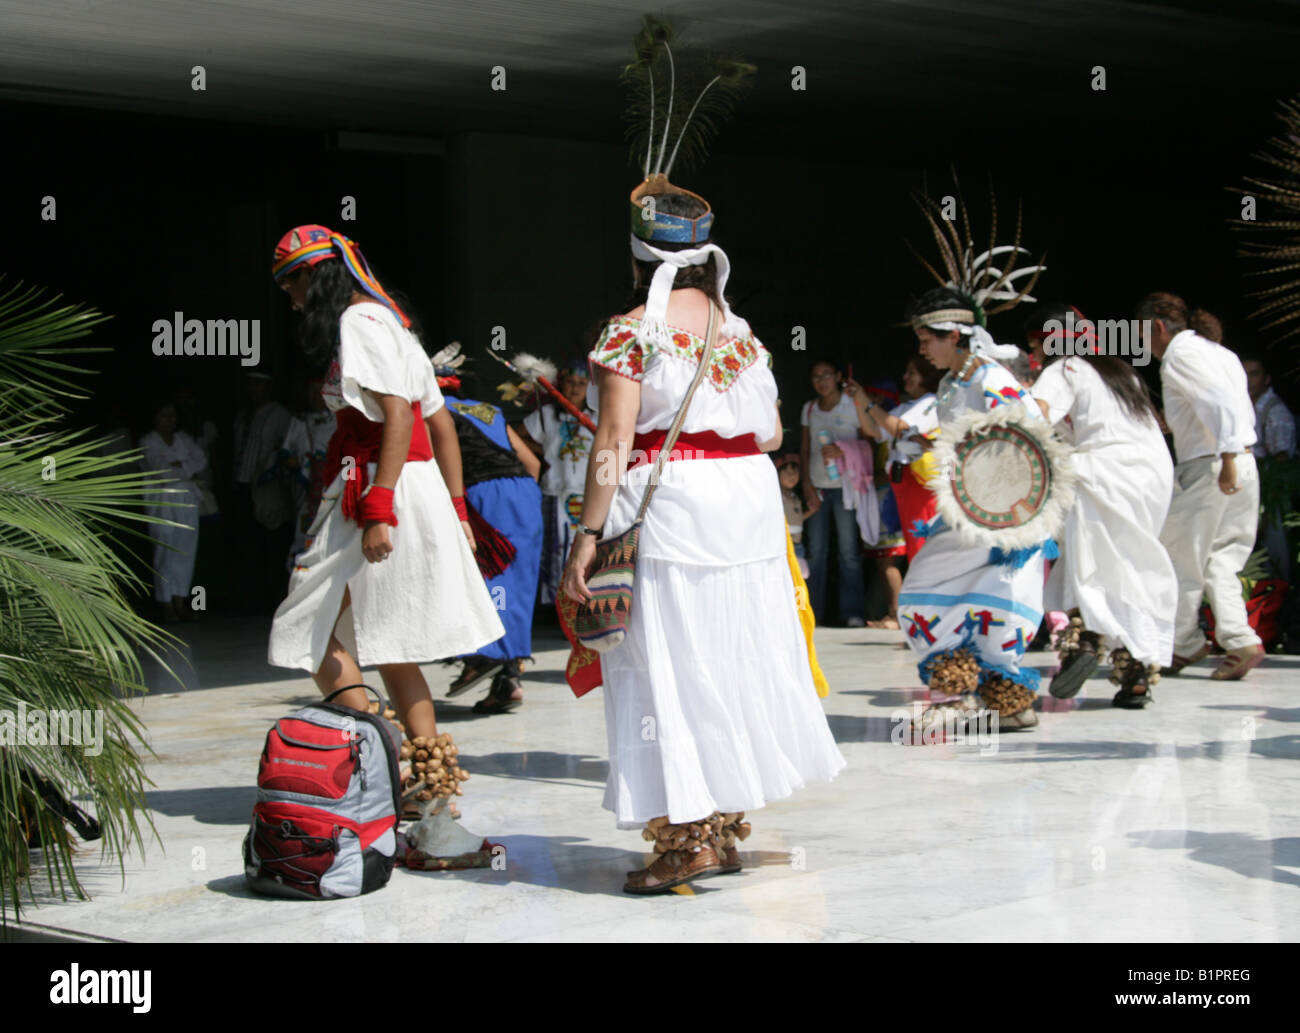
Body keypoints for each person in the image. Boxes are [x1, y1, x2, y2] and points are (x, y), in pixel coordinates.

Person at [561, 39, 844, 892]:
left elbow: (613, 442)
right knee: (733, 650)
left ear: (640, 254)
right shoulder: (742, 329)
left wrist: (583, 537)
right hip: (747, 501)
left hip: (670, 499)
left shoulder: (628, 330)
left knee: (666, 661)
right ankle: (720, 818)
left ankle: (684, 836)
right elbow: (762, 430)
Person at [266, 224, 505, 821]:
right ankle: (433, 793)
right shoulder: (391, 321)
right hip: (403, 486)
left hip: (378, 487)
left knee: (307, 627)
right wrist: (453, 508)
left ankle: (385, 753)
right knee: (393, 642)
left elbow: (400, 415)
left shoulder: (358, 322)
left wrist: (379, 507)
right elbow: (439, 421)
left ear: (311, 275)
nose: (289, 299)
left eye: (288, 284)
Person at [890, 287, 1050, 731]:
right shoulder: (952, 384)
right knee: (955, 598)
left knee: (982, 601)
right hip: (966, 514)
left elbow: (1029, 444)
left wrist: (1010, 517)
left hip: (1000, 522)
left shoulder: (993, 382)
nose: (921, 350)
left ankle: (978, 696)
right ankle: (997, 700)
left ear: (956, 335)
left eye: (928, 340)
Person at [1028, 305, 1177, 708]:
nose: (1034, 353)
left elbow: (1033, 416)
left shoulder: (1066, 368)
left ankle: (1086, 643)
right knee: (1130, 564)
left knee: (1086, 559)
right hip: (1155, 476)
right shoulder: (1122, 371)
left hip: (1104, 471)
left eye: (1035, 344)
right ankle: (1136, 676)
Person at [1144, 292, 1265, 680]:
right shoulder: (1217, 352)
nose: (1147, 345)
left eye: (1146, 335)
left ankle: (1183, 643)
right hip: (1242, 460)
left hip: (1215, 464)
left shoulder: (1181, 353)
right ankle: (1240, 639)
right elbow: (1226, 404)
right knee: (1222, 560)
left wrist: (1226, 457)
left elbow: (1220, 404)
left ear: (1158, 327)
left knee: (1180, 558)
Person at [442, 375, 544, 715]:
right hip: (524, 494)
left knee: (480, 582)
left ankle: (482, 656)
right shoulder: (489, 410)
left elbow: (443, 464)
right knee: (516, 589)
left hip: (480, 497)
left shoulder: (431, 409)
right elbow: (533, 464)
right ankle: (509, 680)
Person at [849, 356, 944, 625]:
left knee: (923, 549)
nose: (906, 378)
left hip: (920, 485)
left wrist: (867, 402)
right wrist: (859, 400)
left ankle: (929, 615)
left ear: (926, 376)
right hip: (903, 486)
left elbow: (898, 429)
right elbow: (874, 430)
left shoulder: (930, 403)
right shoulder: (908, 406)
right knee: (916, 550)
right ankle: (920, 615)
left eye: (912, 373)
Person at [520, 359, 594, 607]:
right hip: (555, 494)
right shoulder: (548, 415)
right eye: (571, 383)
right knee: (553, 551)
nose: (575, 389)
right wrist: (542, 451)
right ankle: (555, 608)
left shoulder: (598, 417)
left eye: (581, 384)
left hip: (587, 495)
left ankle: (580, 604)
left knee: (582, 551)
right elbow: (511, 434)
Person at [800, 358, 867, 626]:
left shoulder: (852, 404)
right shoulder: (809, 408)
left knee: (849, 551)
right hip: (818, 486)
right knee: (816, 552)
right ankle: (813, 613)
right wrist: (806, 483)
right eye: (815, 377)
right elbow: (805, 449)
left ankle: (853, 613)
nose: (821, 382)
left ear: (838, 376)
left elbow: (868, 442)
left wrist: (844, 450)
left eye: (826, 375)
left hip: (847, 487)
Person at [139, 400, 208, 622]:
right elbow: (161, 471)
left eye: (172, 416)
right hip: (163, 504)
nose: (169, 421)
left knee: (185, 551)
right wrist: (186, 469)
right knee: (165, 551)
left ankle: (180, 601)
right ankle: (166, 603)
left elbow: (201, 459)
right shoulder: (147, 442)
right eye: (163, 416)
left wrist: (181, 467)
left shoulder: (183, 439)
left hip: (187, 499)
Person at [232, 372, 294, 611]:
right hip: (243, 484)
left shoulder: (280, 415)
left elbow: (287, 448)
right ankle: (250, 597)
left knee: (272, 541)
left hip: (268, 487)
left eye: (259, 384)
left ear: (268, 387)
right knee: (248, 542)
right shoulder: (243, 416)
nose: (254, 389)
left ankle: (273, 598)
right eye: (250, 384)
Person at [280, 375, 338, 566]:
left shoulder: (338, 420)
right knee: (303, 535)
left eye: (319, 391)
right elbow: (285, 452)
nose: (315, 396)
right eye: (310, 391)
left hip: (332, 489)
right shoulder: (299, 422)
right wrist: (294, 465)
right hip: (305, 492)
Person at [1244, 354, 1296, 460]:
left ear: (1267, 379)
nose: (1247, 380)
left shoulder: (1276, 412)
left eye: (1254, 374)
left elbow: (1282, 458)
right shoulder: (1241, 405)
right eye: (1243, 374)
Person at [775, 453, 810, 578]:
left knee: (801, 576)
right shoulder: (777, 498)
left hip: (798, 546)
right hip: (784, 546)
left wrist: (812, 511)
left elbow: (798, 519)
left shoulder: (796, 497)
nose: (792, 477)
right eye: (787, 473)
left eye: (795, 473)